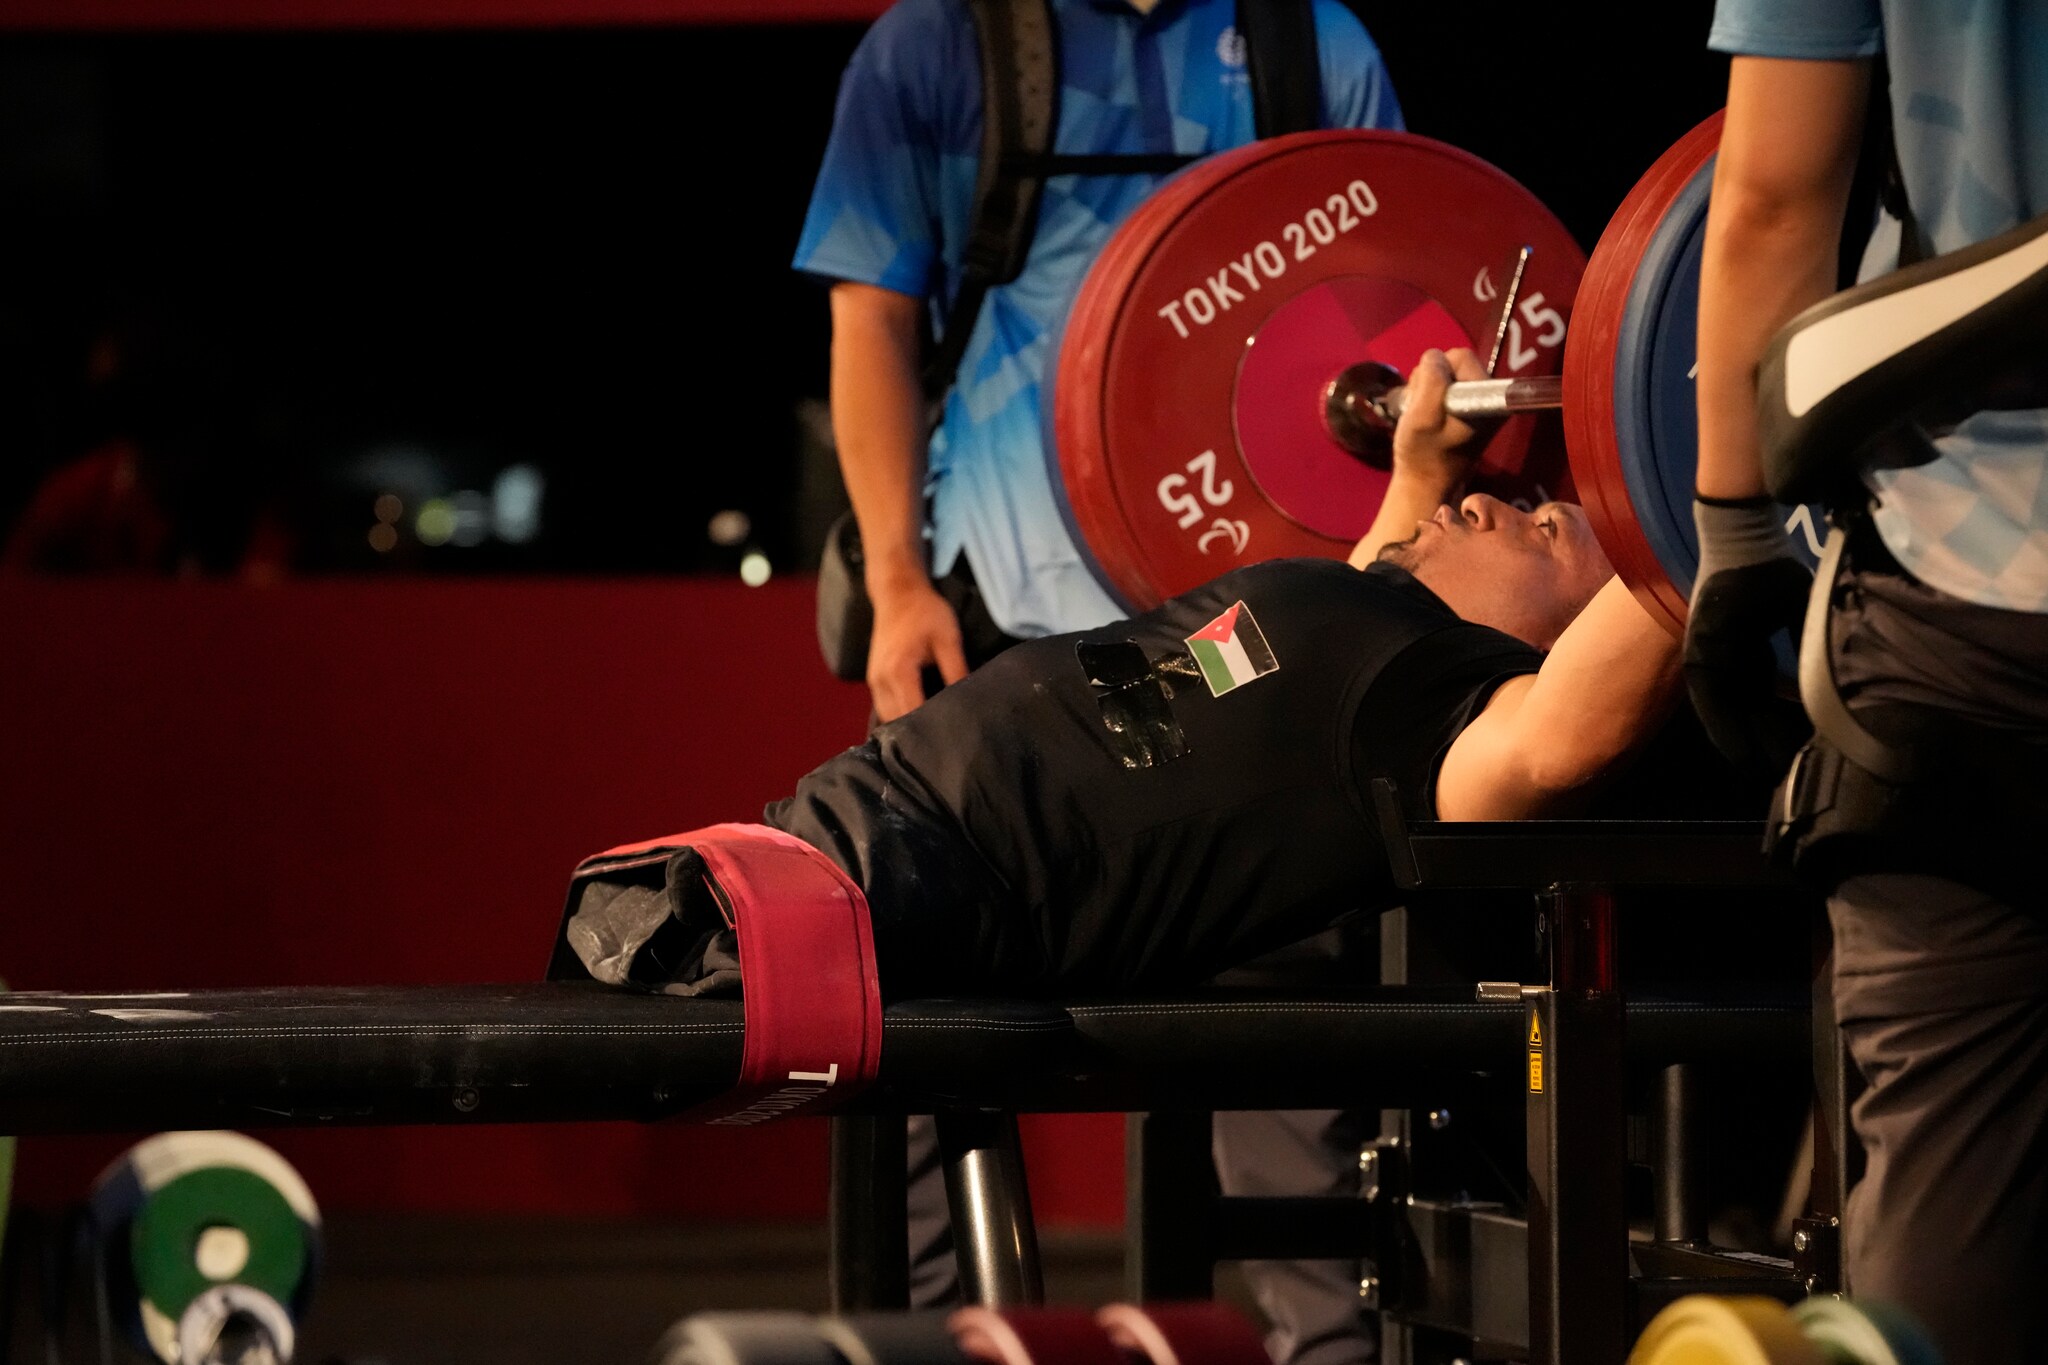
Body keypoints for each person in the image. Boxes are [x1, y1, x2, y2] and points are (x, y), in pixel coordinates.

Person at [795, 5, 1401, 1351]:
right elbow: (872, 322)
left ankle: (1338, 1349)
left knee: (1300, 1066)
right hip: (1000, 624)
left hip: (1251, 639)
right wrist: (897, 583)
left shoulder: (1314, 47)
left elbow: (1388, 302)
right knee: (932, 1037)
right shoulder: (934, 50)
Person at [565, 347, 1675, 1014]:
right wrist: (1420, 462)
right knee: (609, 934)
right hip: (855, 819)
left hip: (887, 891)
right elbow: (1351, 602)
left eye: (1546, 529)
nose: (1495, 502)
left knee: (624, 971)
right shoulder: (1372, 623)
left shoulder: (1444, 730)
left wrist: (1704, 499)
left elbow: (1554, 744)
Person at [1688, 6, 2048, 1362]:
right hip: (1948, 617)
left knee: (1946, 1235)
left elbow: (1774, 196)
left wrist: (1734, 542)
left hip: (1958, 589)